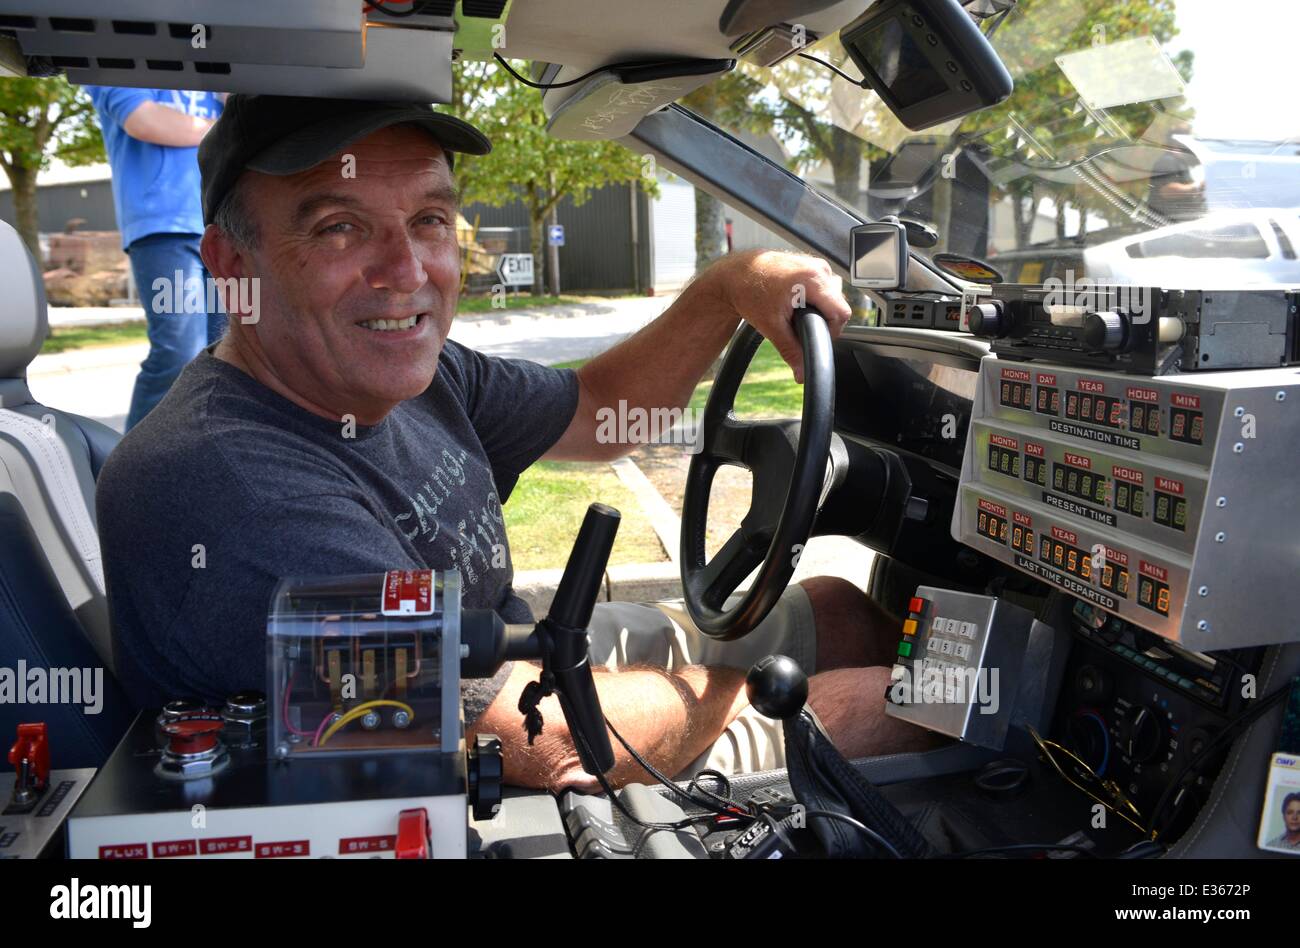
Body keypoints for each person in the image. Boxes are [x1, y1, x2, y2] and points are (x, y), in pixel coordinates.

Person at [96, 95, 940, 792]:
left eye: (430, 219)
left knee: (832, 609)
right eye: (337, 229)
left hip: (521, 663)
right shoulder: (231, 486)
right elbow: (529, 744)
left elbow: (606, 407)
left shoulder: (414, 378)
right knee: (927, 700)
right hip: (502, 759)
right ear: (228, 263)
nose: (408, 270)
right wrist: (739, 685)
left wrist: (729, 287)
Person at [87, 87, 225, 430]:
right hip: (166, 224)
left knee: (229, 355)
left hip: (226, 224)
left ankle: (205, 458)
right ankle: (130, 471)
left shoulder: (212, 52)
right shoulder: (119, 51)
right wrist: (227, 128)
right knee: (179, 352)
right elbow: (145, 120)